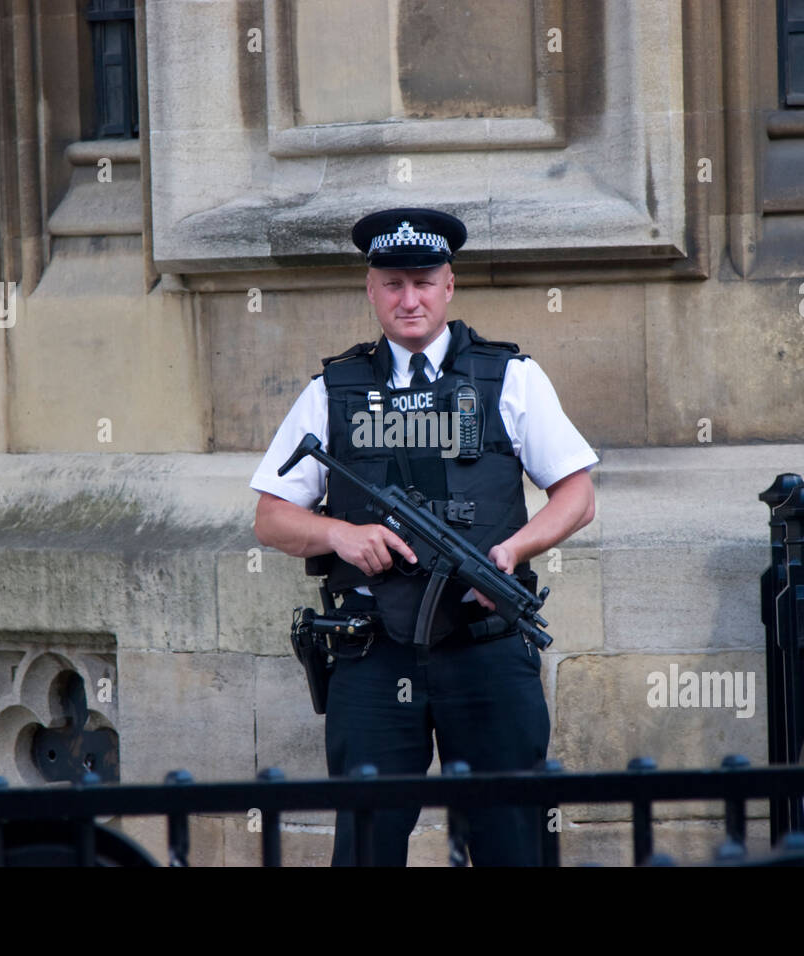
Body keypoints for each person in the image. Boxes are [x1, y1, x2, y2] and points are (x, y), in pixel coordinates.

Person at [250, 207, 597, 866]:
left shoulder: (509, 378)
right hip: (374, 657)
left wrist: (513, 550)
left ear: (448, 286)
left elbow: (577, 497)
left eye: (423, 282)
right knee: (368, 847)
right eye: (393, 284)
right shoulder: (334, 390)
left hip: (486, 648)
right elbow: (271, 516)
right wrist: (340, 534)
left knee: (511, 843)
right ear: (372, 290)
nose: (409, 299)